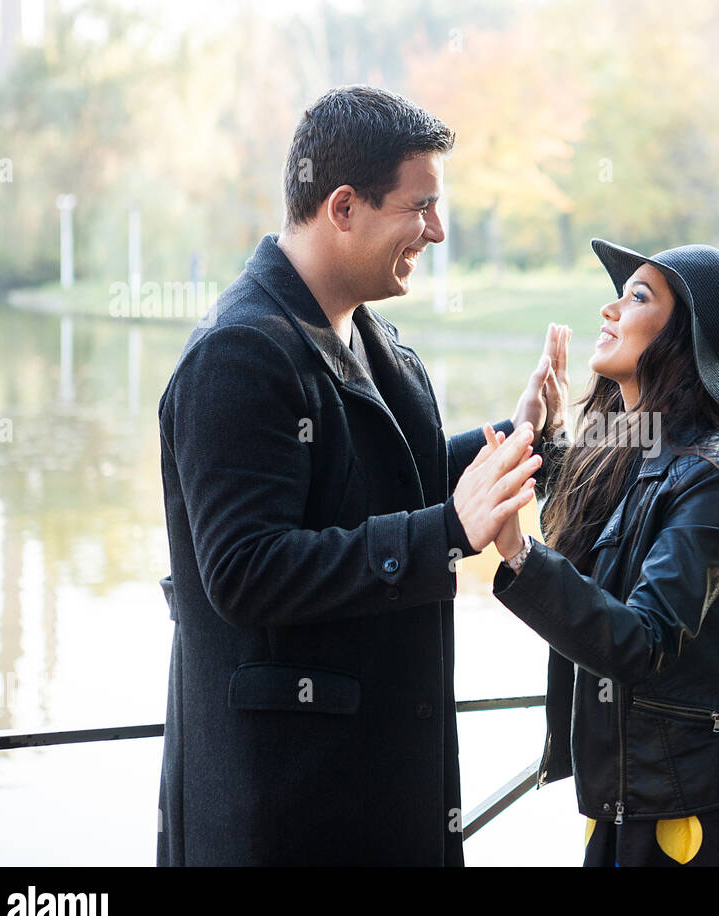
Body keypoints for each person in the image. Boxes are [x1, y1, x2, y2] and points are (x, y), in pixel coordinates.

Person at [155, 86, 560, 865]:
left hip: (389, 794)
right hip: (292, 812)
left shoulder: (378, 341)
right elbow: (245, 572)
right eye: (421, 207)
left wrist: (517, 439)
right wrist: (446, 531)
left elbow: (389, 484)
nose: (436, 231)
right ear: (343, 207)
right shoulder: (237, 355)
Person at [488, 239, 719, 866]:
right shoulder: (633, 451)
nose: (611, 308)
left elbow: (643, 642)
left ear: (684, 338)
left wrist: (517, 552)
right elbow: (598, 561)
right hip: (641, 800)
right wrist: (545, 443)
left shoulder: (718, 477)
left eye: (638, 296)